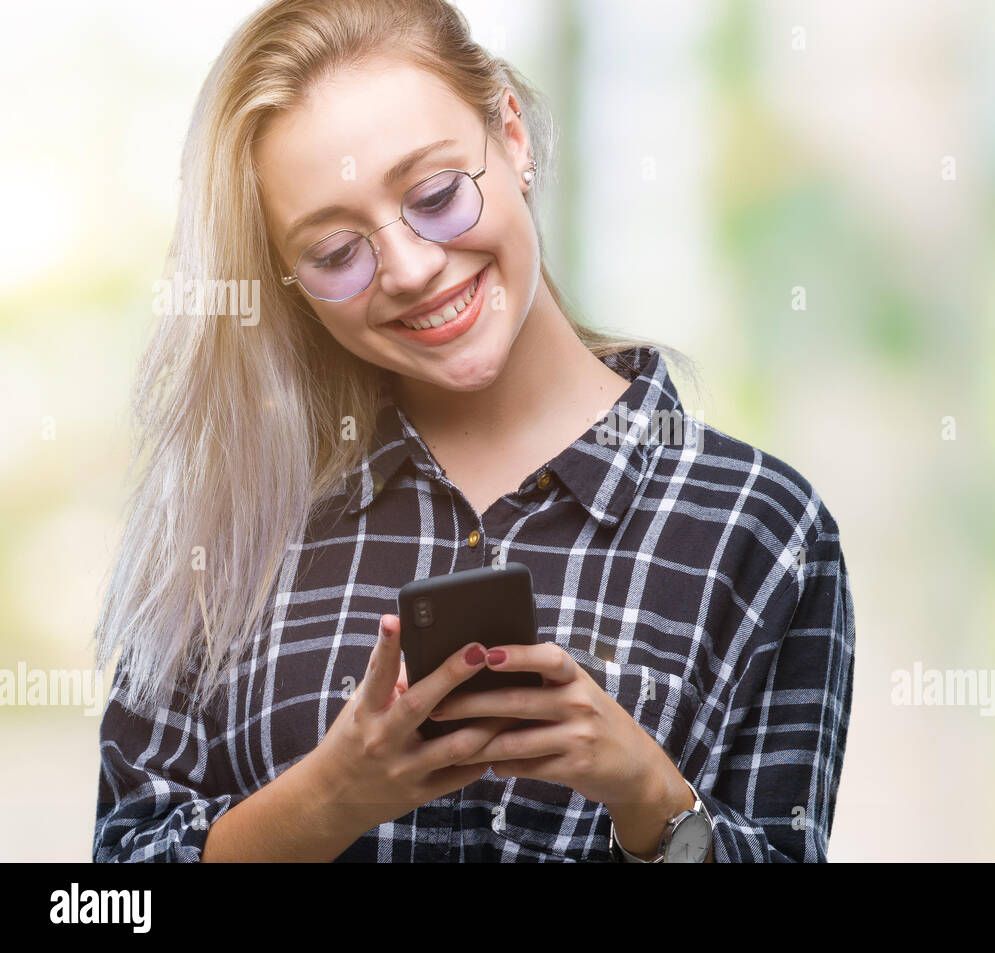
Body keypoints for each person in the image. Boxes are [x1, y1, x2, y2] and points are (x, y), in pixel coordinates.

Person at [93, 0, 854, 863]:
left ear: (512, 135)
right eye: (336, 253)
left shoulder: (762, 529)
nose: (412, 268)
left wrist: (650, 797)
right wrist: (330, 796)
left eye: (436, 195)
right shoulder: (231, 528)